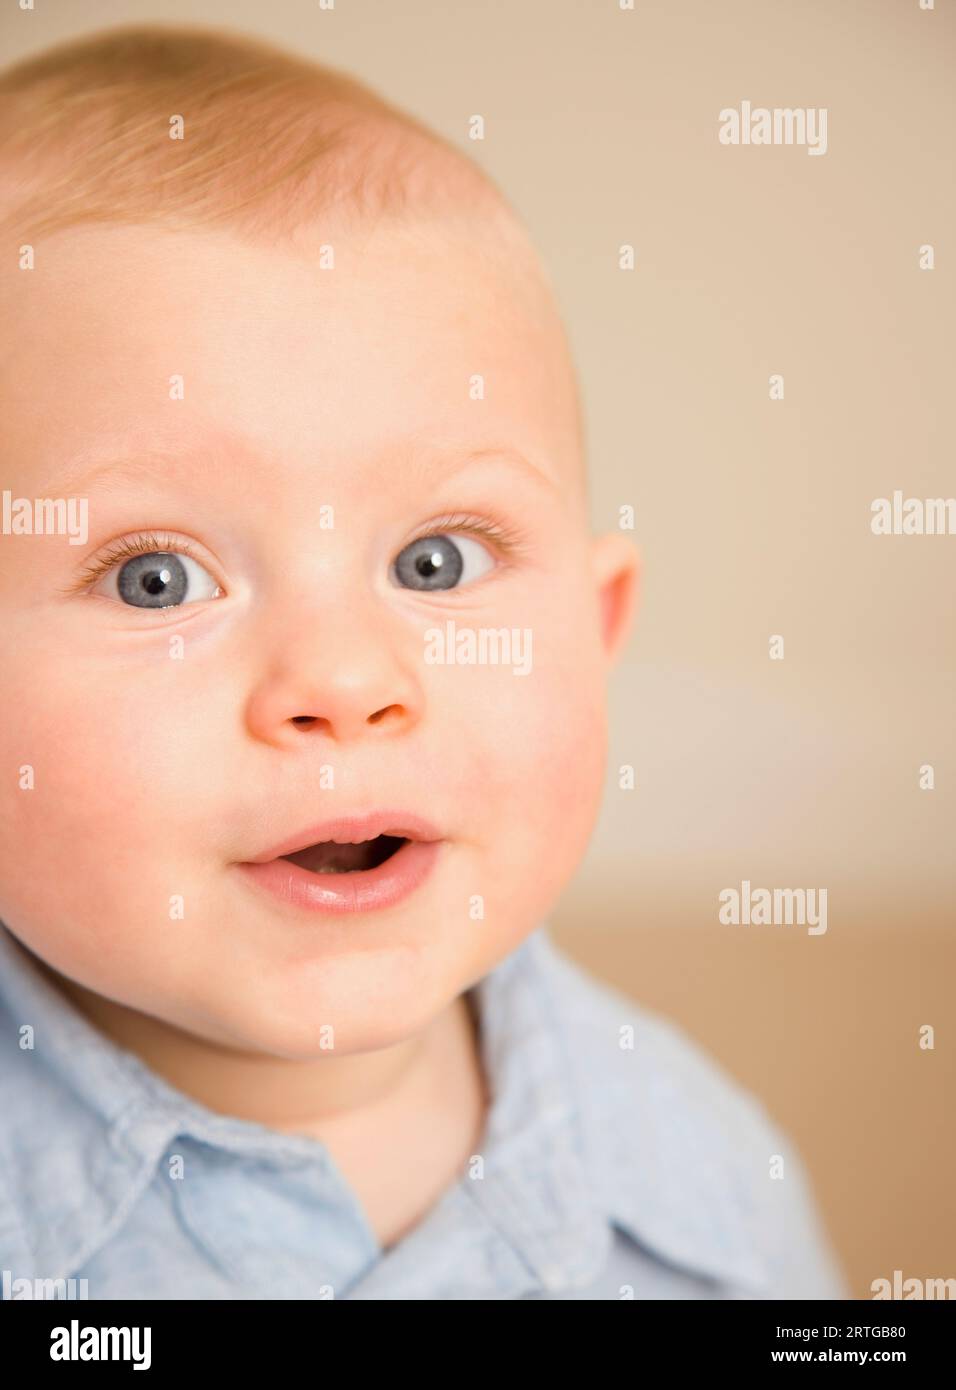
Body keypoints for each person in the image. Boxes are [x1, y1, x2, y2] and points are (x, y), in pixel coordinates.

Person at [0, 25, 848, 1300]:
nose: (343, 683)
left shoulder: (703, 1188)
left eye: (437, 562)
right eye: (155, 578)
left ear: (594, 632)